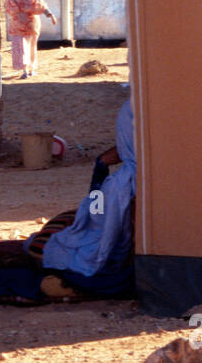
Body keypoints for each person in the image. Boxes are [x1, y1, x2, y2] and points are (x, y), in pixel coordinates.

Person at [37, 99, 137, 298]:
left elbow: (96, 216)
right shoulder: (135, 178)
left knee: (55, 251)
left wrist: (100, 167)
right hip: (115, 247)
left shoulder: (119, 186)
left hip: (105, 255)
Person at [4, 0, 57, 78]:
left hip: (17, 24)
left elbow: (7, 7)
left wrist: (18, 12)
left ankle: (25, 70)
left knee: (21, 47)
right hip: (31, 24)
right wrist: (50, 15)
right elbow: (41, 6)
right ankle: (32, 70)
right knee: (32, 46)